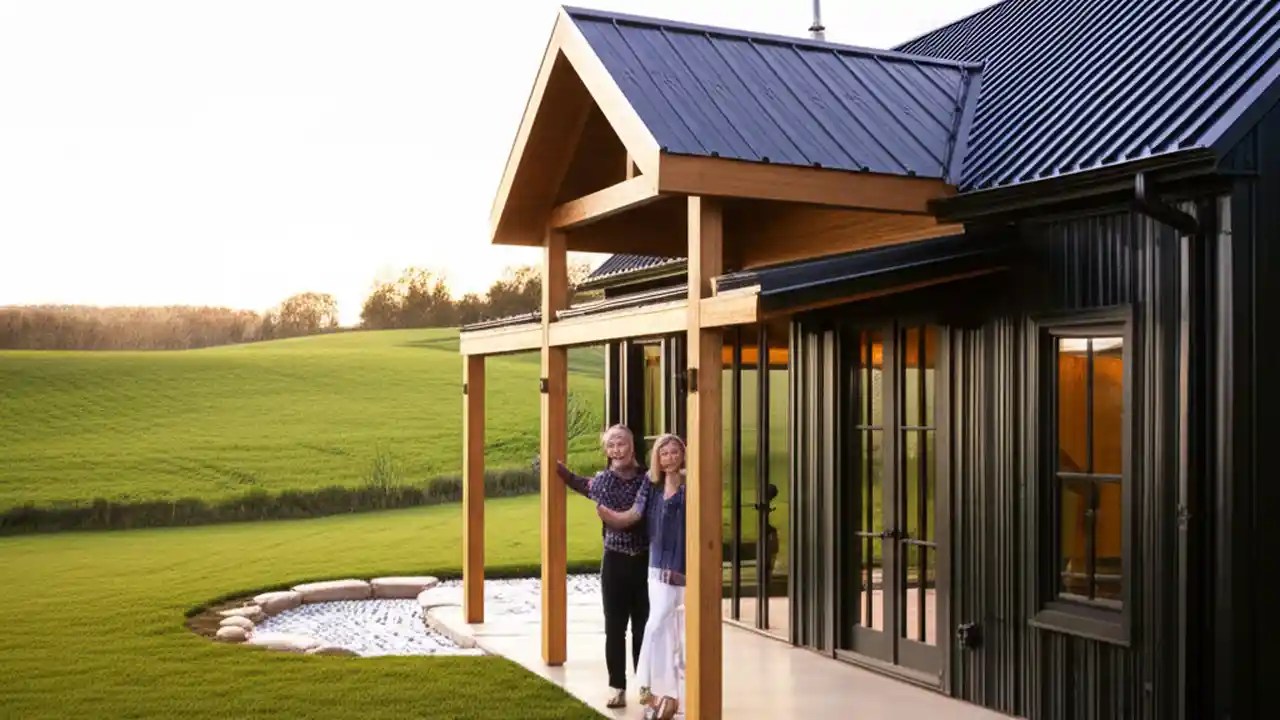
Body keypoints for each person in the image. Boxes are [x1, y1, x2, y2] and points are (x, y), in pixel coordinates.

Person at [555, 424, 650, 709]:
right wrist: (556, 468)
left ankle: (646, 689)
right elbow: (577, 482)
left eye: (621, 443)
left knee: (644, 629)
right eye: (611, 445)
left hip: (644, 562)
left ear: (631, 446)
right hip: (615, 562)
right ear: (606, 451)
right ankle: (617, 687)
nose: (616, 449)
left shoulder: (647, 480)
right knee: (615, 628)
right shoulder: (603, 482)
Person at [598, 433, 686, 720]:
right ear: (657, 458)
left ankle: (659, 693)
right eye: (664, 453)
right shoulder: (652, 485)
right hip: (655, 569)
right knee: (656, 629)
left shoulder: (690, 486)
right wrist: (604, 508)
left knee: (664, 631)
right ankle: (653, 693)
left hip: (681, 571)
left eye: (675, 452)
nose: (670, 458)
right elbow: (633, 515)